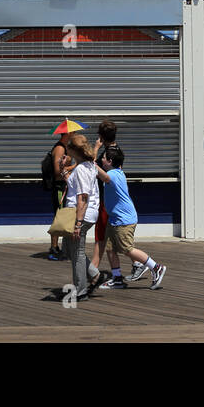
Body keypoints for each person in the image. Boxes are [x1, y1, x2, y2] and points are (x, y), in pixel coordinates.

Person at [92, 143, 167, 289]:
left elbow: (105, 177)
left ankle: (156, 267)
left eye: (105, 158)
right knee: (110, 248)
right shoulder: (117, 171)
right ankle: (117, 278)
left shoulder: (113, 174)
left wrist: (92, 164)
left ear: (110, 162)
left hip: (123, 220)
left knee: (127, 249)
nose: (102, 159)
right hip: (114, 219)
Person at [61, 134, 101, 300]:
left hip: (82, 215)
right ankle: (95, 273)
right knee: (69, 250)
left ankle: (81, 290)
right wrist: (64, 171)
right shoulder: (88, 166)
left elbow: (82, 197)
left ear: (73, 150)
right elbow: (74, 185)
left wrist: (78, 224)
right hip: (79, 213)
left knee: (77, 253)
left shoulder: (82, 169)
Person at [87, 119, 117, 287]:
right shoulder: (115, 151)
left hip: (105, 201)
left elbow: (92, 165)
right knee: (113, 239)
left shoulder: (108, 154)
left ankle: (93, 273)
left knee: (101, 238)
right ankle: (139, 263)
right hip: (110, 200)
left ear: (101, 136)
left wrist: (96, 148)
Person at [45, 130, 72, 260]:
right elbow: (57, 171)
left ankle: (60, 247)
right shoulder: (60, 148)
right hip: (59, 188)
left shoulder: (65, 148)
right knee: (59, 216)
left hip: (64, 186)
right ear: (67, 134)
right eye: (73, 132)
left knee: (63, 216)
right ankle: (54, 248)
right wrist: (75, 166)